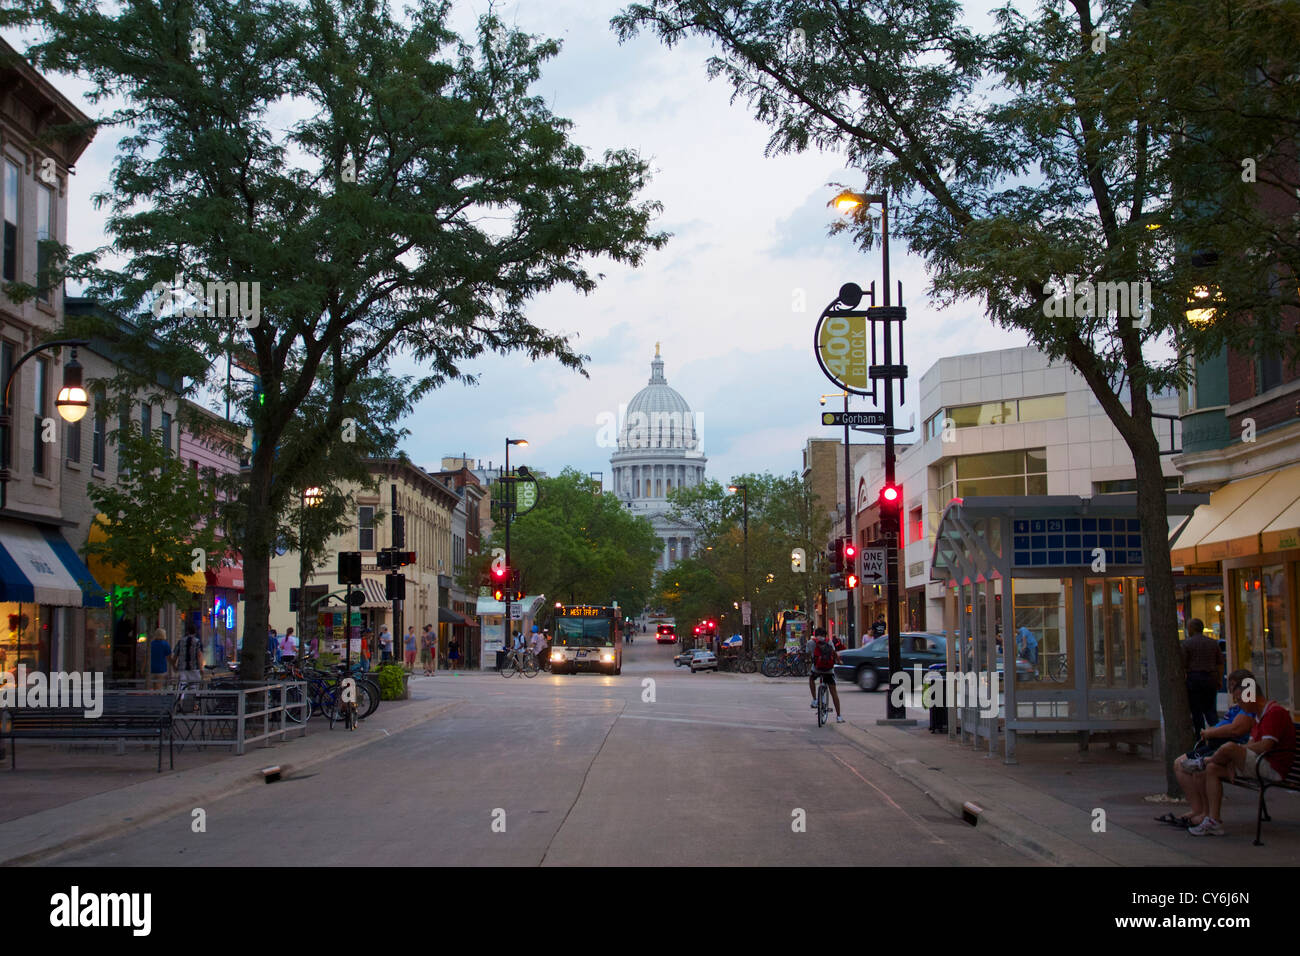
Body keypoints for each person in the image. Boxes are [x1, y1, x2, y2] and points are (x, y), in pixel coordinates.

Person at [1181, 669, 1297, 836]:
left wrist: (1236, 753)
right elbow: (1252, 743)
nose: (1238, 704)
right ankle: (1214, 820)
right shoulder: (1258, 716)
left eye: (1240, 700)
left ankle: (1204, 761)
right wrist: (1231, 760)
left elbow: (1265, 746)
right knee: (1212, 769)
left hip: (1272, 767)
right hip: (1258, 762)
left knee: (1229, 747)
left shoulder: (1274, 713)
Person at [1182, 617, 1224, 733]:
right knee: (1211, 711)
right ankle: (1217, 735)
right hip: (1210, 679)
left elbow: (1183, 664)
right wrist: (1219, 679)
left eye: (1188, 627)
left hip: (1194, 679)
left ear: (1191, 629)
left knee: (1196, 712)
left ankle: (1200, 738)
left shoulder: (1187, 644)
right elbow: (1220, 663)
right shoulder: (1212, 643)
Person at [806, 626, 846, 723]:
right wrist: (839, 661)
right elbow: (834, 653)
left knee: (811, 679)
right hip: (828, 670)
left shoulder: (811, 642)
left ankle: (815, 699)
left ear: (815, 635)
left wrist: (808, 660)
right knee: (833, 692)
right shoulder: (829, 641)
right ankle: (839, 716)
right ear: (825, 635)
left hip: (817, 669)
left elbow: (807, 654)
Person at [172, 623, 204, 712]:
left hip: (182, 668)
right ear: (195, 632)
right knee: (194, 687)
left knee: (182, 687)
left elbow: (175, 656)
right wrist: (201, 668)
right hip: (194, 668)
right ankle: (194, 706)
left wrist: (174, 666)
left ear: (187, 631)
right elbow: (199, 655)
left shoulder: (180, 641)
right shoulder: (197, 642)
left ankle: (180, 705)